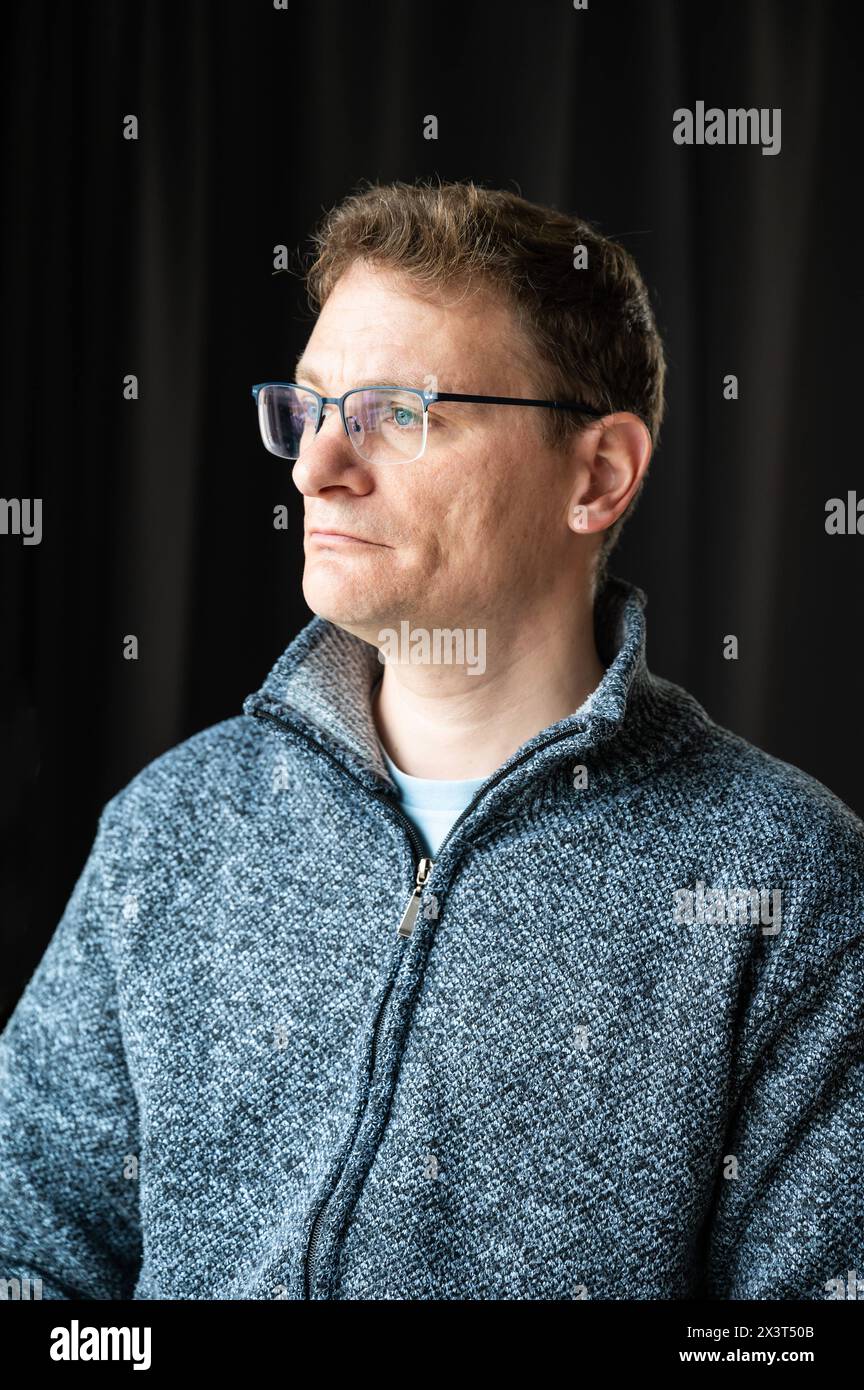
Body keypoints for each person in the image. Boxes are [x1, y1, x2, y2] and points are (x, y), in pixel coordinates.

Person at [1, 179, 862, 1302]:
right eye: (309, 408)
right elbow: (27, 1251)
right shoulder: (172, 827)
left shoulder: (789, 884)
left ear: (597, 475)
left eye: (395, 413)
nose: (316, 467)